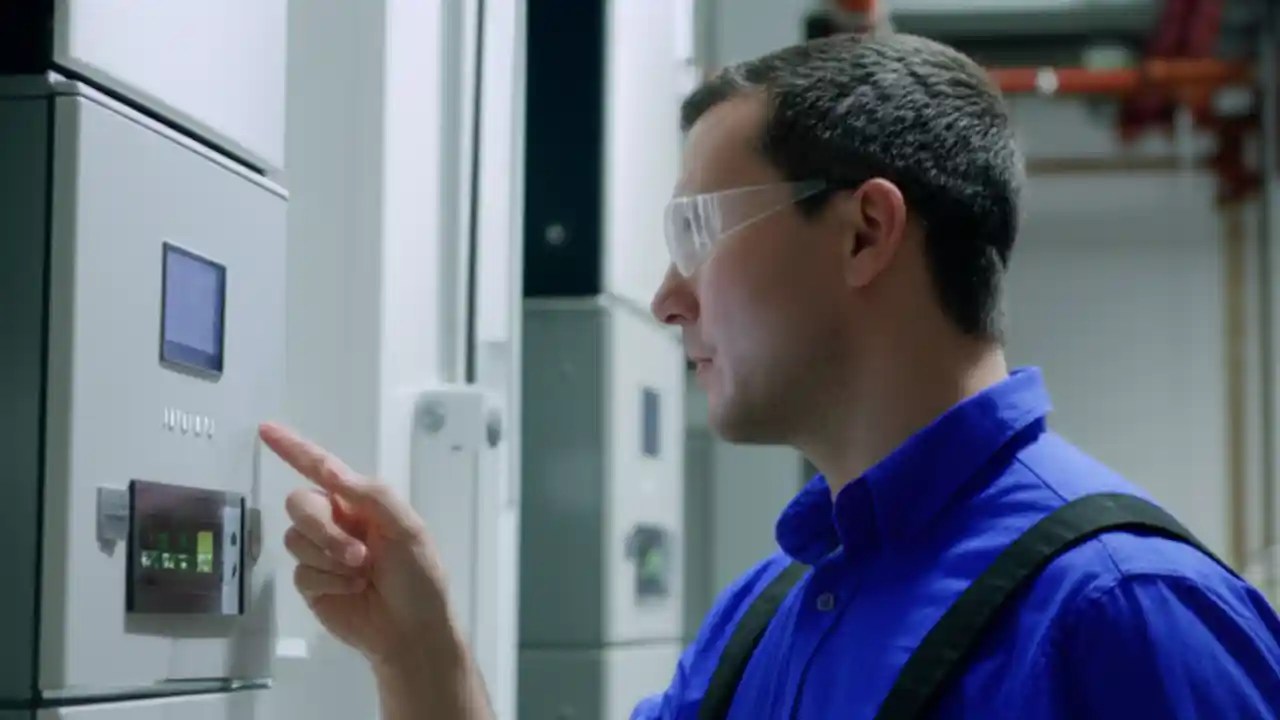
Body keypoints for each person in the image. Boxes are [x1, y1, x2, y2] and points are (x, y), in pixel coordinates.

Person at [260, 31, 1280, 719]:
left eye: (696, 231)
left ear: (863, 232)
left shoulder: (1121, 614)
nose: (665, 296)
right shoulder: (767, 615)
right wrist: (416, 654)